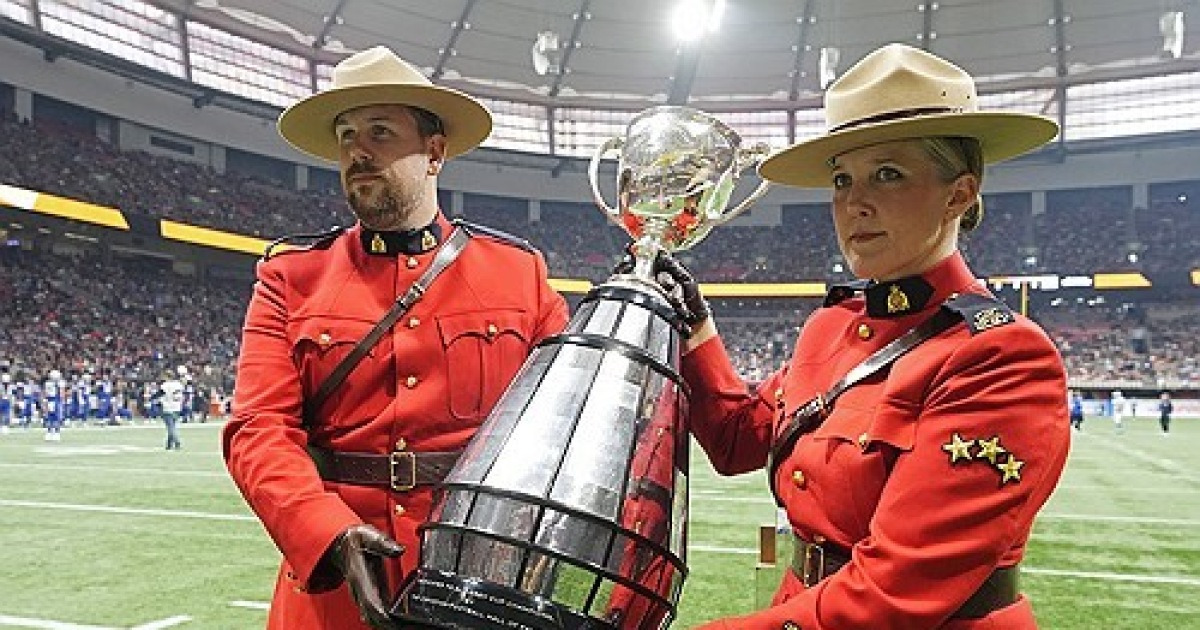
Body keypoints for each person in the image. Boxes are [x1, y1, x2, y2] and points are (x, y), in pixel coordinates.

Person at [654, 44, 1070, 628]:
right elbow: (735, 442)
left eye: (889, 175)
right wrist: (695, 330)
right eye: (843, 179)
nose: (855, 203)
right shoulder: (831, 328)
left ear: (960, 192)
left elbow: (892, 593)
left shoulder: (999, 356)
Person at [221, 46, 568, 630]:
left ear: (434, 152)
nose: (358, 149)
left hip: (474, 577)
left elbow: (566, 421)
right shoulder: (290, 275)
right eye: (348, 134)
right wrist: (322, 533)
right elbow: (258, 429)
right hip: (332, 590)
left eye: (380, 132)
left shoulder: (519, 273)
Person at [157, 369, 185, 450]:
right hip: (177, 407)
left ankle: (177, 442)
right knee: (172, 426)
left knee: (170, 427)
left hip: (168, 407)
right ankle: (169, 444)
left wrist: (152, 399)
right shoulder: (178, 384)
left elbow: (160, 394)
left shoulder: (165, 385)